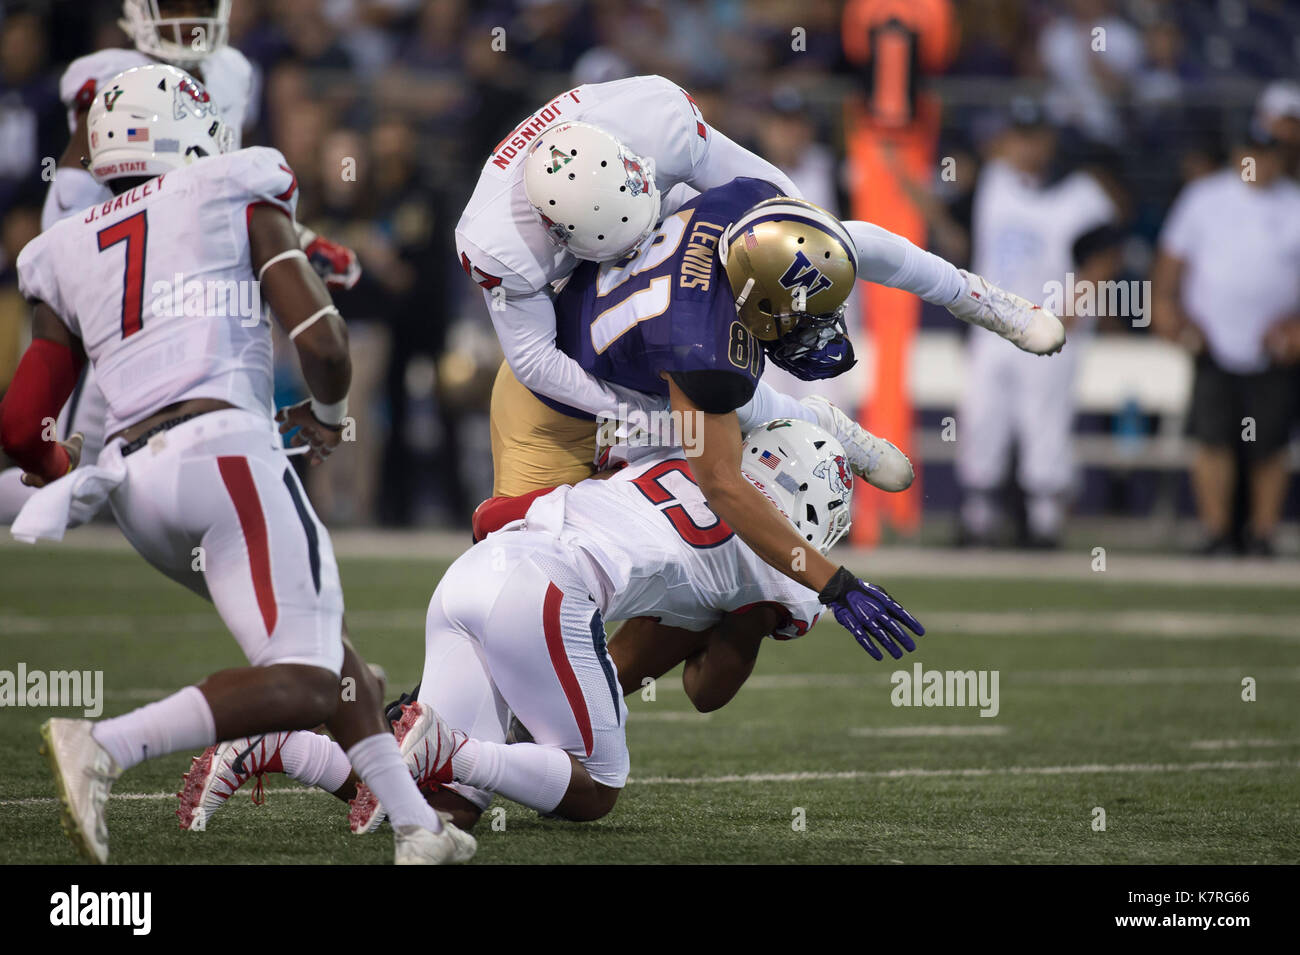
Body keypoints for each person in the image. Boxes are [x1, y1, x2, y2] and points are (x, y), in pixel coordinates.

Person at [0, 64, 471, 865]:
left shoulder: (63, 247)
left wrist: (54, 456)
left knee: (327, 649)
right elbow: (323, 343)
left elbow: (17, 424)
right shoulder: (232, 184)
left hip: (139, 496)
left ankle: (416, 824)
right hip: (222, 453)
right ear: (194, 130)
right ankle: (105, 743)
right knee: (309, 676)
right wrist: (324, 419)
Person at [179, 419, 924, 834]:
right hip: (546, 590)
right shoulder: (771, 572)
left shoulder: (679, 457)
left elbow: (625, 652)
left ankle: (277, 745)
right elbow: (706, 689)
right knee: (597, 787)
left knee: (450, 804)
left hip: (478, 569)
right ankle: (443, 738)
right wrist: (748, 623)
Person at [457, 76, 1067, 501]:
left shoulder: (656, 122)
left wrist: (793, 281)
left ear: (640, 167)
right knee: (701, 386)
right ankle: (821, 423)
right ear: (557, 232)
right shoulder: (498, 244)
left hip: (678, 242)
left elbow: (788, 209)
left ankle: (977, 298)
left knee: (814, 238)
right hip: (585, 346)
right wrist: (638, 415)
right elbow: (535, 359)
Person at [0, 0, 359, 527]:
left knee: (117, 473)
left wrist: (296, 237)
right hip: (121, 303)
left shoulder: (234, 73)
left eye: (199, 4)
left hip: (190, 298)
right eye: (174, 4)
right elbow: (72, 214)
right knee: (70, 486)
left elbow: (218, 188)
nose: (187, 17)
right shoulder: (108, 79)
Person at [956, 105, 1118, 548]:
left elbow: (1104, 256)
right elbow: (955, 231)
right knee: (983, 419)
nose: (1025, 146)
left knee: (1044, 422)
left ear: (1049, 139)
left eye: (1033, 136)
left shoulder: (1080, 192)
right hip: (991, 325)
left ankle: (1044, 525)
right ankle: (978, 520)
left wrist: (1070, 310)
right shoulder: (991, 182)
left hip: (1047, 326)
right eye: (1018, 135)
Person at [1152, 130, 1300, 556]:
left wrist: (1295, 329)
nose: (1260, 163)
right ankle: (1217, 531)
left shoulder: (1293, 204)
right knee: (1213, 439)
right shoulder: (1205, 198)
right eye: (1252, 153)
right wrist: (1168, 313)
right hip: (1212, 340)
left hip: (1273, 346)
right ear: (1239, 156)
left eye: (1268, 155)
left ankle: (1263, 534)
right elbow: (1170, 263)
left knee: (1269, 443)